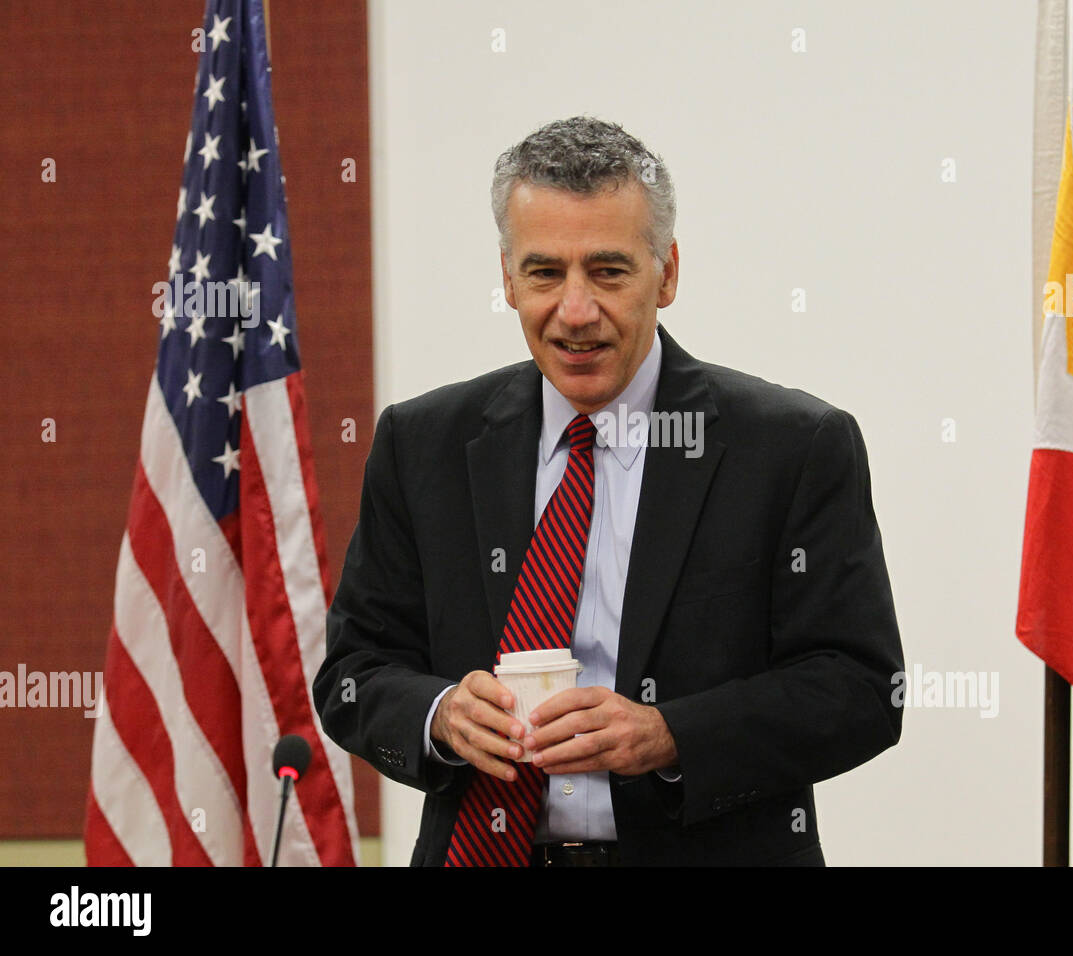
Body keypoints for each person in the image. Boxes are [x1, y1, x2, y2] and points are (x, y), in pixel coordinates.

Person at [313, 116, 904, 866]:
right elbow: (352, 673)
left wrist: (669, 736)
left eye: (609, 271)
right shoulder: (421, 442)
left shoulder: (793, 448)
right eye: (545, 273)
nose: (577, 310)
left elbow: (859, 690)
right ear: (507, 278)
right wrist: (438, 716)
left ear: (668, 273)